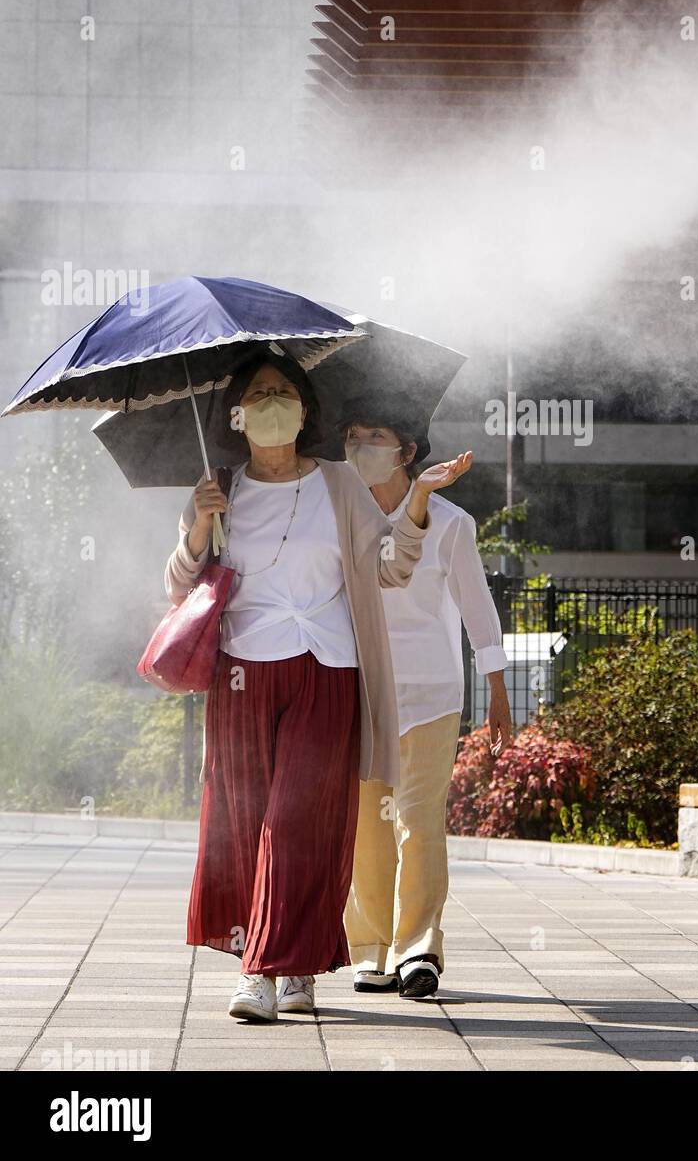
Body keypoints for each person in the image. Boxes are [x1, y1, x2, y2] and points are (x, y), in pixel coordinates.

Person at [163, 349, 472, 1022]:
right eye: (259, 393)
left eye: (285, 391)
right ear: (237, 415)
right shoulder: (220, 487)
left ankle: (262, 973)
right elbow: (180, 586)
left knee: (297, 819)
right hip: (243, 672)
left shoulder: (338, 484)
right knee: (247, 824)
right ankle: (297, 962)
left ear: (305, 410)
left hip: (327, 668)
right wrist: (198, 524)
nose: (273, 401)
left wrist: (417, 503)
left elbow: (390, 567)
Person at [339, 394, 513, 998]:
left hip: (432, 693)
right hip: (359, 693)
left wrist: (497, 691)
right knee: (367, 825)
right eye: (353, 435)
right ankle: (372, 950)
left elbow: (476, 609)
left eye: (375, 434)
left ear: (407, 451)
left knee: (418, 821)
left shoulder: (452, 523)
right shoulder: (344, 517)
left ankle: (418, 950)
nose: (362, 446)